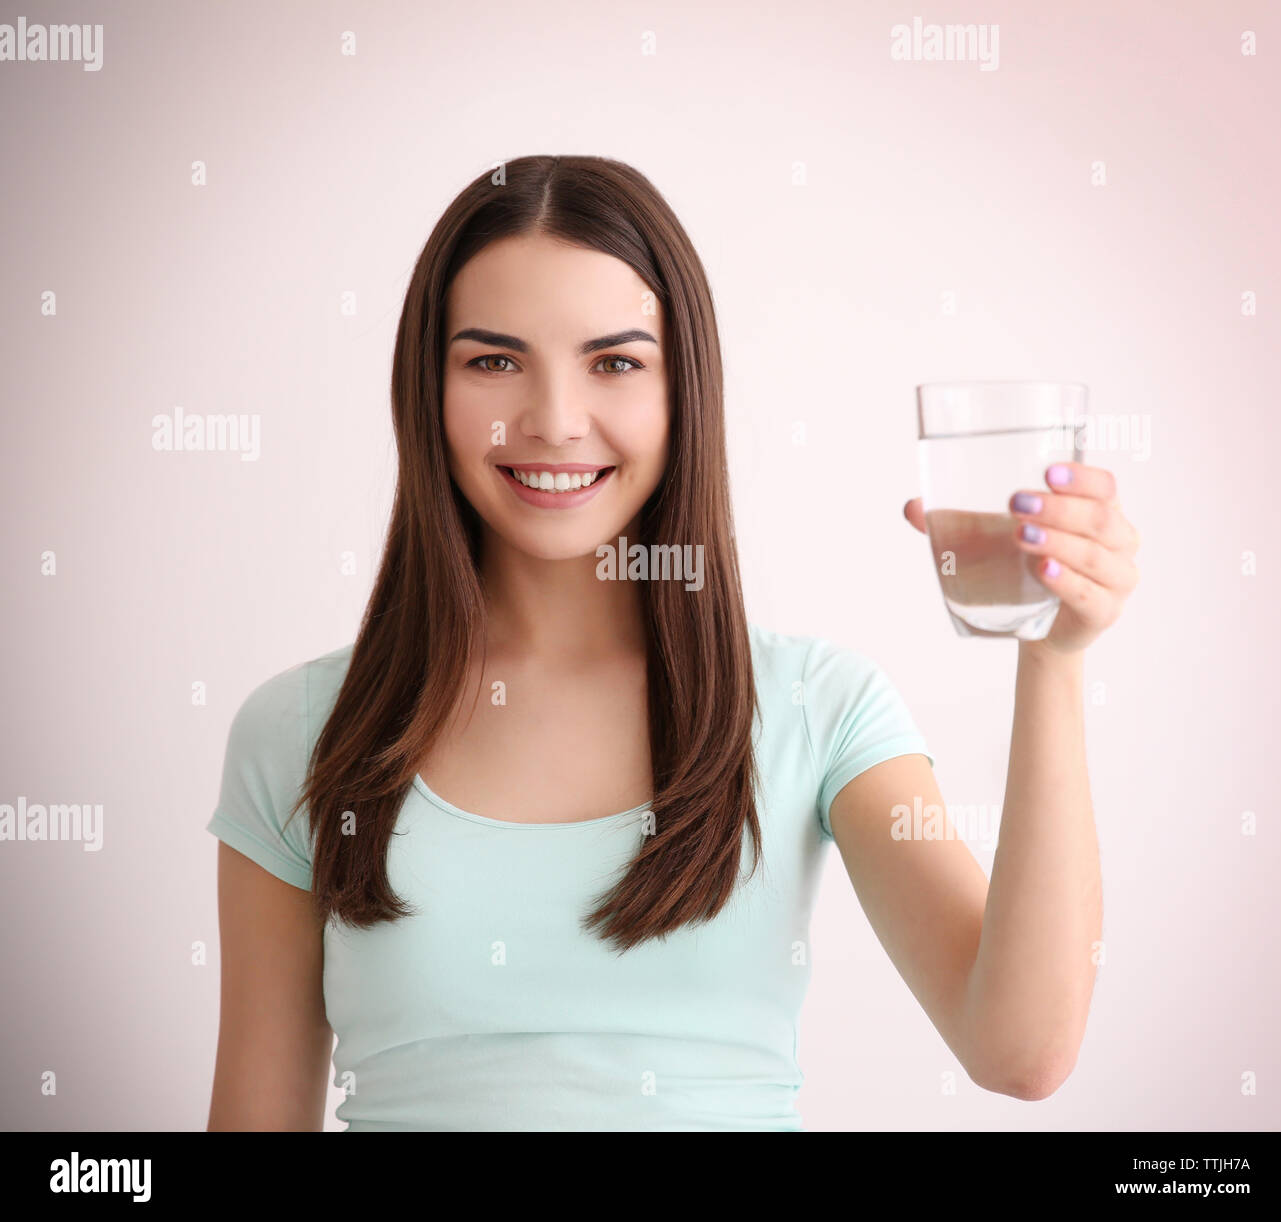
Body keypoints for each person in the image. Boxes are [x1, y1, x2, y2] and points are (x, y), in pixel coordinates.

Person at [204, 154, 1140, 1131]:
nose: (555, 421)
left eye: (614, 362)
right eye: (492, 360)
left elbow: (1021, 1049)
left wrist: (1055, 655)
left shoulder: (817, 706)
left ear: (681, 390)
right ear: (426, 390)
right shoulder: (300, 730)